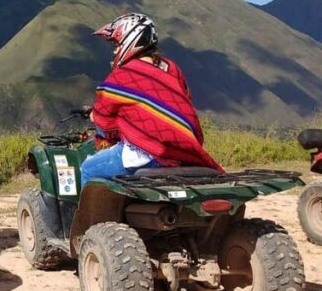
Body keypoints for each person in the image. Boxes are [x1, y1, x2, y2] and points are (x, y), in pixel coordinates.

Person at [80, 13, 222, 188]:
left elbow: (104, 116)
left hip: (145, 154)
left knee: (87, 168)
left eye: (116, 44)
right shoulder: (171, 68)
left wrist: (95, 117)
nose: (115, 51)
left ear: (131, 40)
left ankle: (94, 215)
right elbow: (183, 104)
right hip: (184, 151)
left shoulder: (123, 75)